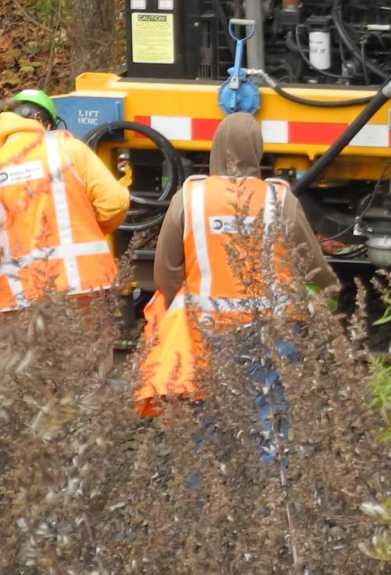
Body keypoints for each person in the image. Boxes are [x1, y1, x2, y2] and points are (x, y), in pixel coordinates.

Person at [137, 112, 338, 460]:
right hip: (274, 330)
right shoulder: (279, 199)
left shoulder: (190, 197)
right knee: (270, 418)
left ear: (216, 147)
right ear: (257, 151)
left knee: (206, 419)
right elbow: (311, 264)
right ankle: (272, 487)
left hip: (206, 331)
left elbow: (166, 271)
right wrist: (330, 291)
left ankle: (212, 486)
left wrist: (176, 308)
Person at [0, 89, 129, 320]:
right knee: (87, 344)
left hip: (17, 296)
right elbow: (115, 202)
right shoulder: (68, 148)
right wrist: (86, 228)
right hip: (85, 283)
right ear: (41, 121)